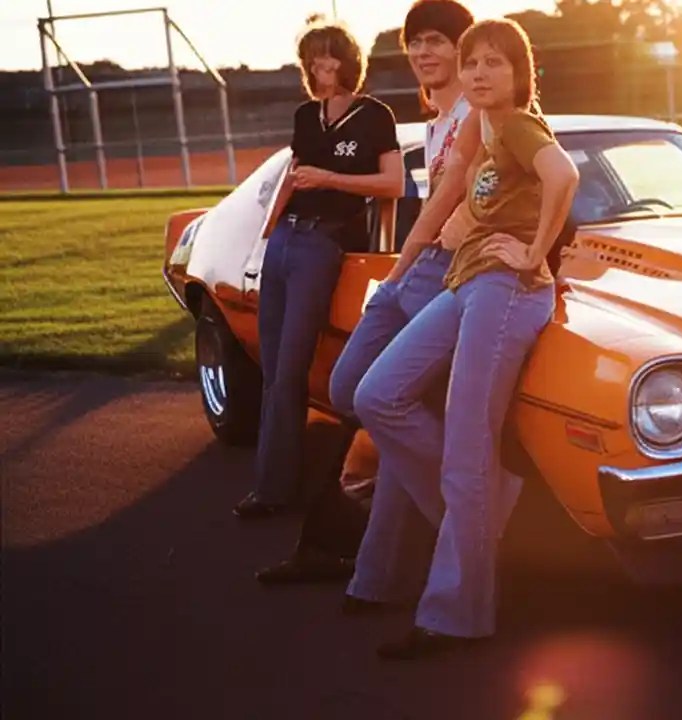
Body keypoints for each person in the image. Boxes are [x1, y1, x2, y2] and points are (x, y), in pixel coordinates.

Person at [345, 17, 579, 660]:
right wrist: (406, 264)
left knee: (465, 443)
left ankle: (456, 615)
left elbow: (564, 178)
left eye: (492, 64)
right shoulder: (483, 125)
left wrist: (535, 253)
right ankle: (489, 499)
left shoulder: (524, 125)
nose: (477, 74)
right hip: (466, 281)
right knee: (378, 395)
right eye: (471, 62)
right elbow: (456, 193)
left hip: (507, 292)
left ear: (519, 74)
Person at [254, 0, 480, 582]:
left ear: (464, 47)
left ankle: (387, 560)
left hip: (447, 275)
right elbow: (431, 205)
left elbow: (489, 198)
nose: (423, 53)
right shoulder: (435, 121)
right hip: (410, 270)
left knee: (379, 402)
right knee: (349, 391)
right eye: (416, 43)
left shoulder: (482, 113)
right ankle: (384, 549)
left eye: (436, 41)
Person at [234, 16, 404, 519]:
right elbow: (291, 178)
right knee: (271, 368)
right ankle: (273, 480)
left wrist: (329, 177)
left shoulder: (375, 115)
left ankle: (274, 491)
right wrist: (262, 239)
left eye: (329, 55)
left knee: (290, 371)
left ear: (349, 61)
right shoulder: (306, 116)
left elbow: (392, 185)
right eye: (313, 57)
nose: (320, 64)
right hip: (285, 240)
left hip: (324, 246)